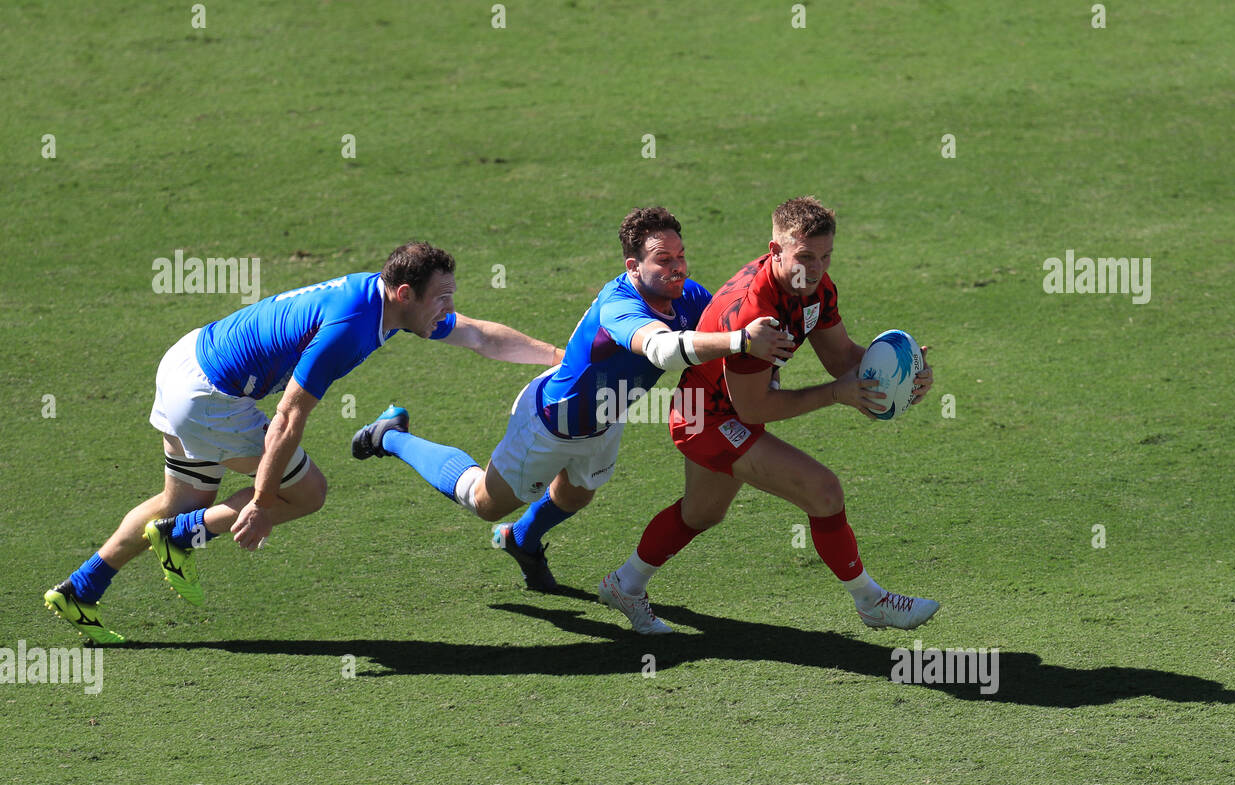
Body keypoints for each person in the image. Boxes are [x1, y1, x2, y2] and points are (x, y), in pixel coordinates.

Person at [43, 241, 562, 645]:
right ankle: (182, 535)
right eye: (442, 298)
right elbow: (289, 417)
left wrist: (559, 356)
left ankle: (81, 589)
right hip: (209, 396)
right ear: (406, 294)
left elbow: (480, 336)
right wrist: (264, 504)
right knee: (308, 492)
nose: (448, 307)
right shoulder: (351, 328)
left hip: (186, 359)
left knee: (182, 496)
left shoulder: (381, 300)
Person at [350, 208, 793, 617]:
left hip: (606, 418)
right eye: (662, 259)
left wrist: (763, 359)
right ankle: (391, 434)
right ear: (633, 267)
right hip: (549, 425)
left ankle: (521, 539)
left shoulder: (690, 296)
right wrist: (742, 342)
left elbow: (725, 324)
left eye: (680, 255)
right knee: (484, 502)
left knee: (577, 493)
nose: (677, 266)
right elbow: (662, 350)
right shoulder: (620, 306)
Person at [598, 197, 940, 634]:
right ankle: (872, 601)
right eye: (804, 257)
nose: (814, 269)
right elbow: (755, 407)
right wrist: (838, 394)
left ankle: (624, 584)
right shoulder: (756, 314)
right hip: (709, 418)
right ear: (775, 251)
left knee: (701, 513)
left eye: (825, 257)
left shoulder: (814, 287)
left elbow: (841, 357)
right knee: (824, 491)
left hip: (724, 407)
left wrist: (901, 378)